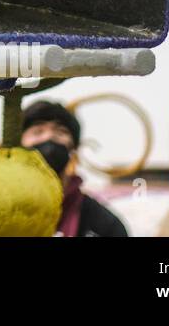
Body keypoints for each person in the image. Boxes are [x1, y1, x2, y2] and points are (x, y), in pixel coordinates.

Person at [21, 100, 128, 237]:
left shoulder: (104, 225)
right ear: (19, 144)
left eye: (60, 132)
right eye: (37, 131)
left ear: (74, 148)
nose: (49, 137)